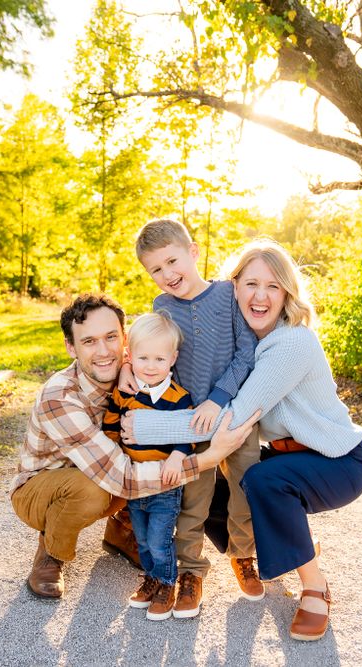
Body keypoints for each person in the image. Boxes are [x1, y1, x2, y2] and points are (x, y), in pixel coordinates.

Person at [122, 240, 362, 641]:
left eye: (273, 286)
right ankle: (282, 537)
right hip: (289, 456)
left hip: (337, 461)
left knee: (259, 481)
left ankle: (315, 586)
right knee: (214, 489)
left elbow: (233, 420)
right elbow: (161, 339)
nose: (260, 296)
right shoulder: (248, 334)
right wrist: (127, 366)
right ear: (233, 286)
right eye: (251, 283)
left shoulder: (290, 343)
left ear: (287, 293)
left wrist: (146, 428)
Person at [9, 293, 258, 599]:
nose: (103, 351)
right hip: (42, 488)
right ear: (71, 347)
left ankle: (122, 528)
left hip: (105, 471)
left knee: (135, 458)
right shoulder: (59, 397)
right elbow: (120, 477)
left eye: (111, 337)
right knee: (94, 488)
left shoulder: (136, 370)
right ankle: (51, 551)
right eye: (89, 341)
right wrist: (209, 458)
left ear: (125, 340)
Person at [120, 219, 263, 619]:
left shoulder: (228, 294)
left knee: (245, 489)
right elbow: (152, 350)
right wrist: (127, 367)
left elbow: (246, 353)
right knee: (191, 501)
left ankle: (243, 554)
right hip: (187, 424)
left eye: (172, 261)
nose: (167, 274)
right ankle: (191, 572)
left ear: (193, 252)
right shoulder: (161, 307)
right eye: (156, 269)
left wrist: (218, 399)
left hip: (234, 415)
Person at [101, 312, 194, 620]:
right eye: (143, 358)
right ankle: (151, 578)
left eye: (159, 359)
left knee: (158, 540)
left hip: (165, 484)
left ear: (173, 359)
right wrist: (113, 456)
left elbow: (188, 434)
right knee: (141, 539)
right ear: (130, 356)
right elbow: (111, 427)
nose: (151, 366)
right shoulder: (124, 393)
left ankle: (167, 583)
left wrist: (178, 456)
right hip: (133, 483)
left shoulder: (179, 398)